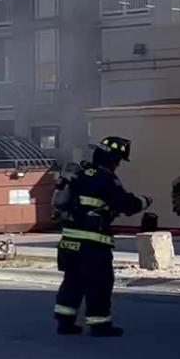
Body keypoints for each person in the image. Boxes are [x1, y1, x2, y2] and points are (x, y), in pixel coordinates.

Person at [53, 136, 151, 337]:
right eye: (118, 160)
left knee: (72, 281)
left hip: (68, 241)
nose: (118, 165)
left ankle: (65, 323)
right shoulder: (106, 178)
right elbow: (125, 204)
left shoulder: (80, 174)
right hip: (92, 243)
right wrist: (144, 201)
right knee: (99, 283)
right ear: (113, 159)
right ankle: (100, 325)